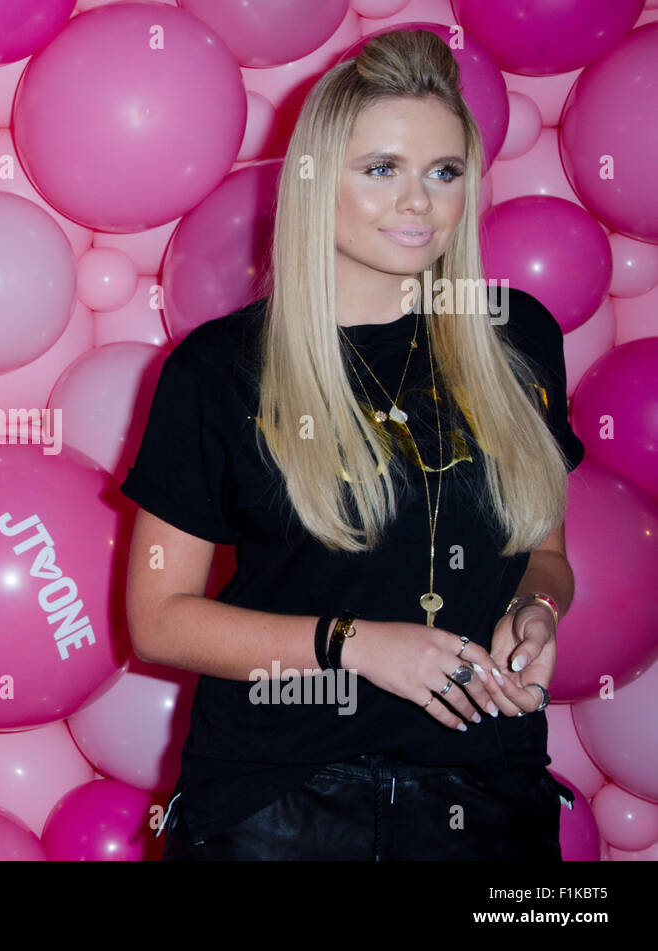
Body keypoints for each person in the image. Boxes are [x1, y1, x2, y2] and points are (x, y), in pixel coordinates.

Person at [120, 29, 585, 861]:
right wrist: (356, 644)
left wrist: (536, 612)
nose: (419, 202)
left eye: (443, 173)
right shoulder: (220, 369)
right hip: (276, 804)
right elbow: (158, 619)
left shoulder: (520, 338)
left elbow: (542, 551)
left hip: (486, 796)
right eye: (382, 169)